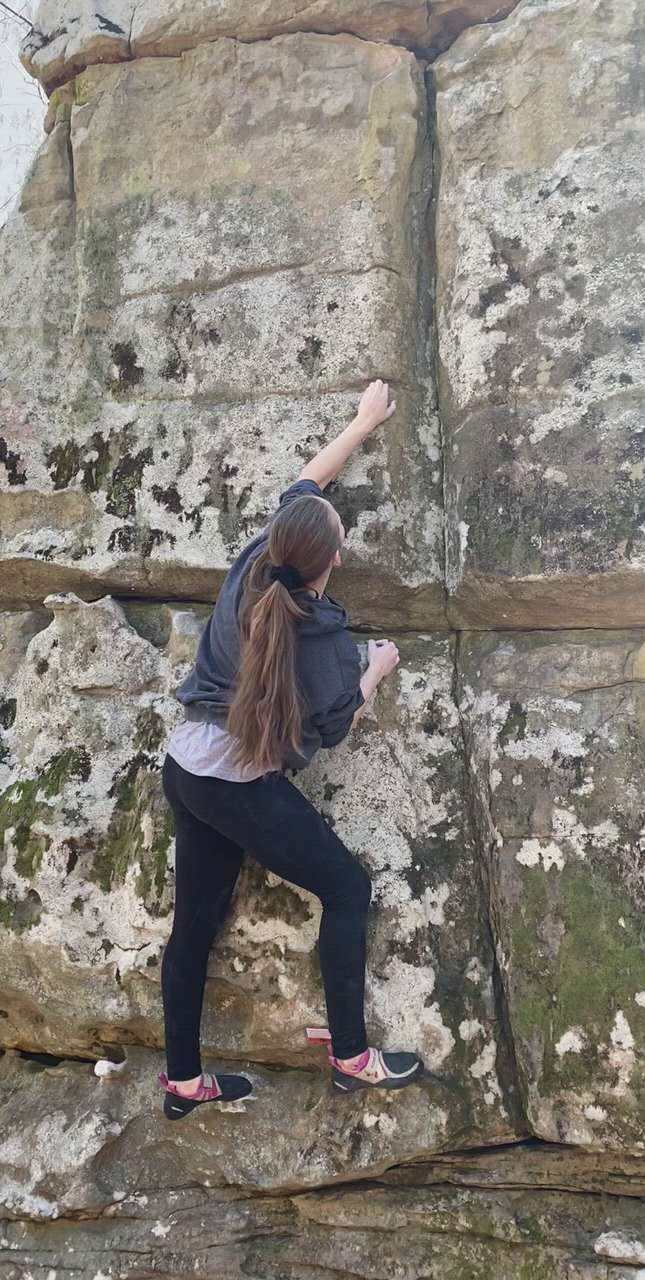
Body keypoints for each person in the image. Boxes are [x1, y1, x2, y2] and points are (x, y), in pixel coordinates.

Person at [156, 380, 424, 1120]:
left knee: (193, 928)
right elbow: (334, 722)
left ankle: (184, 1083)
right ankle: (351, 1056)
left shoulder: (257, 560)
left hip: (185, 766)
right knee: (347, 889)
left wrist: (361, 423)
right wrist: (378, 666)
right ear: (335, 555)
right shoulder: (322, 639)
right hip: (237, 784)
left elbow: (311, 480)